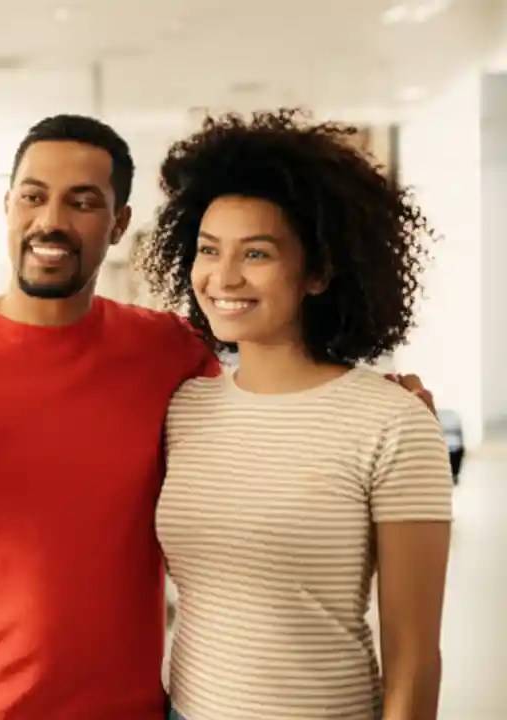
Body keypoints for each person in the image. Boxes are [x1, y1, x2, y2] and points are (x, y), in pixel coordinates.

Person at [0, 114, 437, 719]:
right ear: (7, 207)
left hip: (133, 709)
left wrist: (378, 406)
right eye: (33, 196)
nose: (50, 220)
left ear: (118, 223)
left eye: (82, 201)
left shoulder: (166, 353)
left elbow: (278, 394)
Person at [138, 109, 452, 720]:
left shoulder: (393, 423)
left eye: (256, 253)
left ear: (319, 271)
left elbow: (414, 660)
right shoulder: (184, 408)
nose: (223, 277)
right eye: (209, 250)